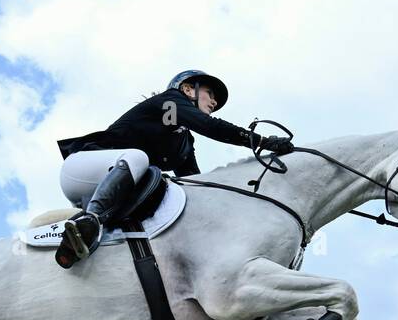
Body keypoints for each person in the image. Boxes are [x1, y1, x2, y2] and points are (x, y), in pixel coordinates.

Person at [53, 69, 294, 268]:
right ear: (188, 89)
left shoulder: (184, 143)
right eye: (210, 93)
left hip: (111, 189)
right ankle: (90, 220)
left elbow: (196, 184)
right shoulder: (169, 102)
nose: (214, 101)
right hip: (81, 169)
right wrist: (260, 142)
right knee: (139, 158)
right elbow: (210, 126)